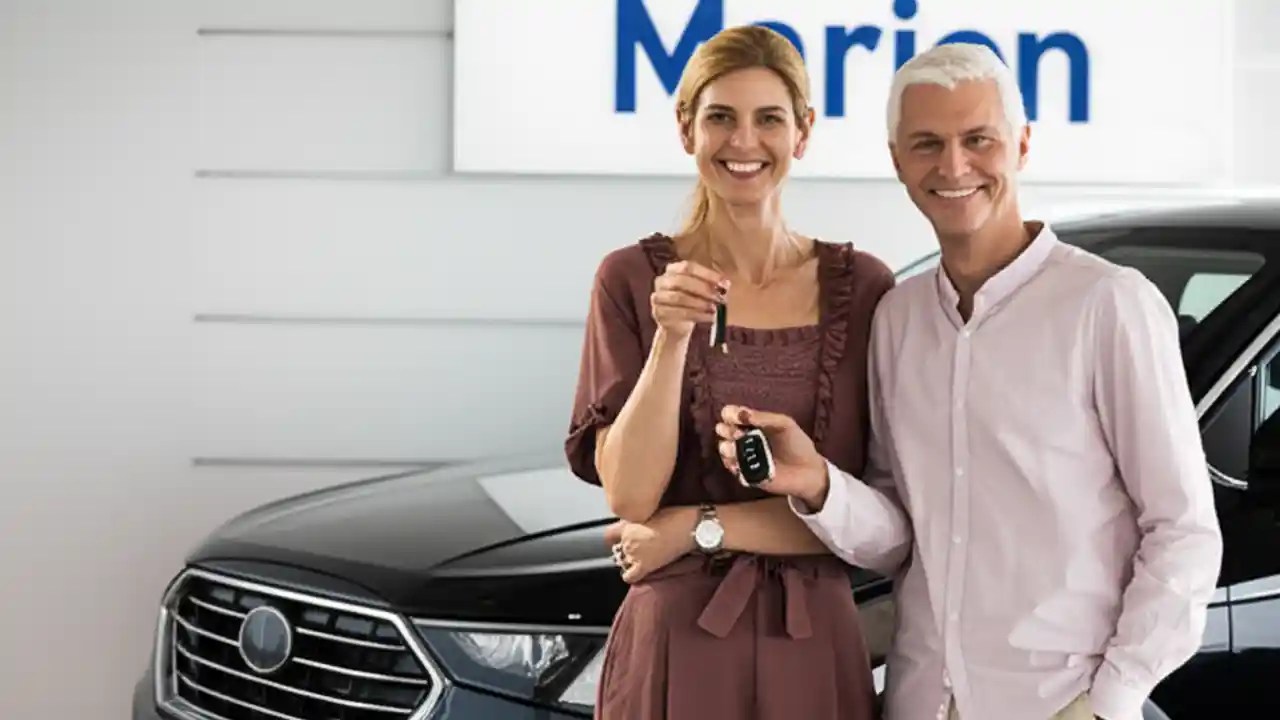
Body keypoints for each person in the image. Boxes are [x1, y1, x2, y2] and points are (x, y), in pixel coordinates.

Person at [713, 42, 1225, 720]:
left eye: (977, 139)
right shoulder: (896, 316)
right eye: (927, 144)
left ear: (1022, 144)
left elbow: (1184, 529)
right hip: (922, 699)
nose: (954, 166)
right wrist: (817, 483)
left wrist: (1112, 699)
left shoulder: (1108, 305)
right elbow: (900, 535)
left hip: (1059, 704)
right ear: (897, 159)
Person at [563, 24, 895, 720]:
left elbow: (879, 515)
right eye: (720, 117)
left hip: (816, 644)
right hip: (674, 644)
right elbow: (628, 495)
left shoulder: (864, 288)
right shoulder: (627, 279)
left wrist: (696, 527)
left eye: (769, 119)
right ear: (687, 130)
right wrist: (670, 337)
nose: (744, 142)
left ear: (802, 134)